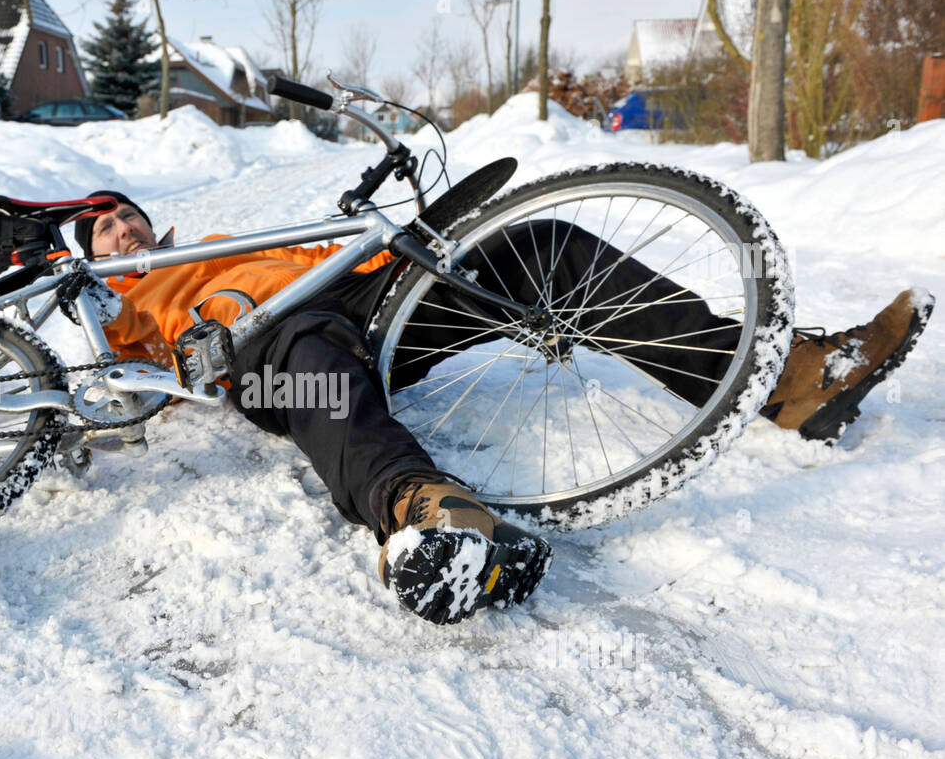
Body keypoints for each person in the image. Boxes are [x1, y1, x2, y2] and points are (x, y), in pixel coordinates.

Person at [69, 190, 935, 624]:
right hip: (265, 361)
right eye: (104, 231)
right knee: (313, 365)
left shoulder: (226, 243)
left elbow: (333, 257)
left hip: (371, 304)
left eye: (129, 219)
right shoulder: (123, 305)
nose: (123, 233)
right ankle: (422, 513)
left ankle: (785, 382)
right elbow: (112, 389)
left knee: (544, 249)